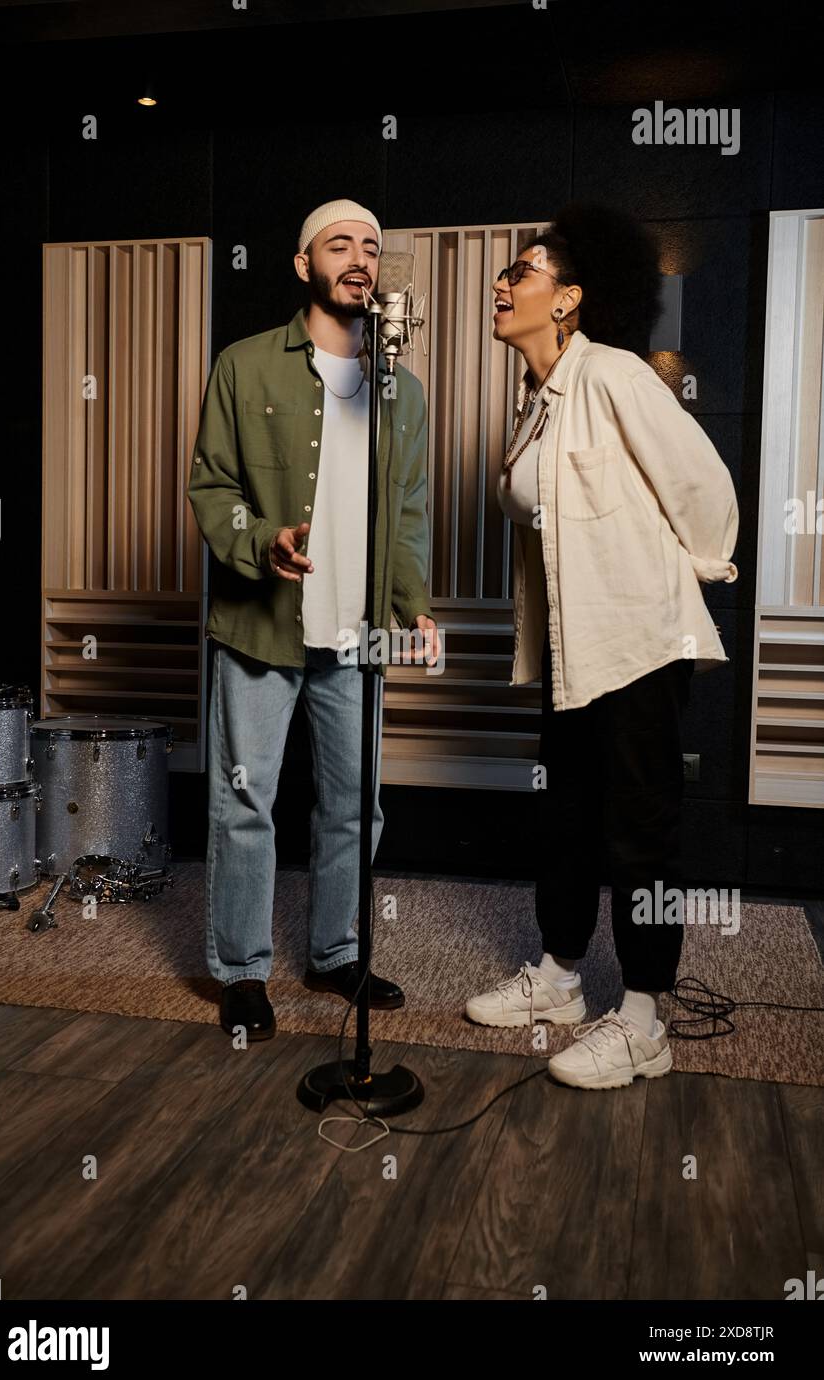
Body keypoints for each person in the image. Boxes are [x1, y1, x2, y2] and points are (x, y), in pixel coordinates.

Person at [464, 203, 739, 1089]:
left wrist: (685, 578)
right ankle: (558, 981)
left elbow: (703, 483)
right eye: (507, 271)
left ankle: (646, 1020)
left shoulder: (615, 374)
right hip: (572, 653)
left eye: (527, 270)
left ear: (571, 297)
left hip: (638, 643)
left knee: (640, 834)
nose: (504, 282)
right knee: (569, 819)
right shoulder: (535, 404)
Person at [188, 199, 441, 1040]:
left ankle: (336, 952)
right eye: (341, 244)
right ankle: (241, 969)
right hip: (262, 624)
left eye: (373, 245)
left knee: (354, 803)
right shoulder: (245, 366)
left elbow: (409, 511)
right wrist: (263, 542)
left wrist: (414, 609)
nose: (361, 258)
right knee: (245, 800)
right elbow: (211, 487)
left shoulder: (401, 387)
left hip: (357, 631)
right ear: (305, 265)